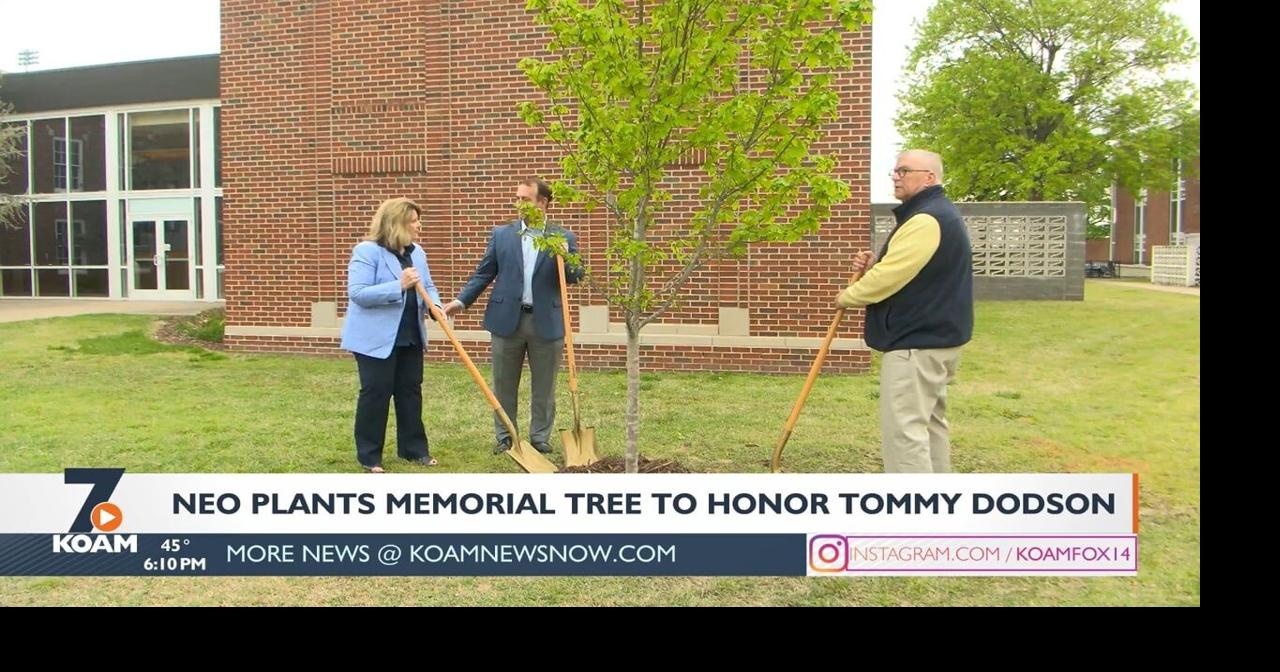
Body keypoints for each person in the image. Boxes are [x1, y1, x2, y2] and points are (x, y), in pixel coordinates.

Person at [837, 150, 973, 473]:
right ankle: (936, 506)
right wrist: (875, 266)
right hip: (937, 342)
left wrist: (848, 295)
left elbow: (890, 277)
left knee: (905, 434)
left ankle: (911, 513)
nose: (895, 176)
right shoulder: (938, 215)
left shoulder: (926, 219)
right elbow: (914, 271)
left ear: (930, 177)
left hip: (916, 344)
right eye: (894, 171)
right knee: (930, 426)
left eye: (903, 170)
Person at [443, 178, 582, 455]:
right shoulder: (502, 235)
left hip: (547, 322)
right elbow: (485, 272)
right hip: (507, 320)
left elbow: (576, 276)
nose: (519, 204)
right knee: (504, 383)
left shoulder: (563, 237)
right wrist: (461, 301)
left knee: (544, 386)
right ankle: (505, 435)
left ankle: (540, 436)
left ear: (542, 203)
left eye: (525, 199)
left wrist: (565, 258)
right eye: (517, 198)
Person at [340, 197, 443, 472]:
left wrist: (437, 307)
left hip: (410, 335)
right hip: (374, 340)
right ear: (396, 223)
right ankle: (370, 456)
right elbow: (358, 293)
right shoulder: (367, 251)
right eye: (413, 220)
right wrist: (398, 285)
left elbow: (428, 286)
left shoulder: (417, 252)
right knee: (376, 393)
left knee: (410, 392)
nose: (419, 225)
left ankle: (414, 449)